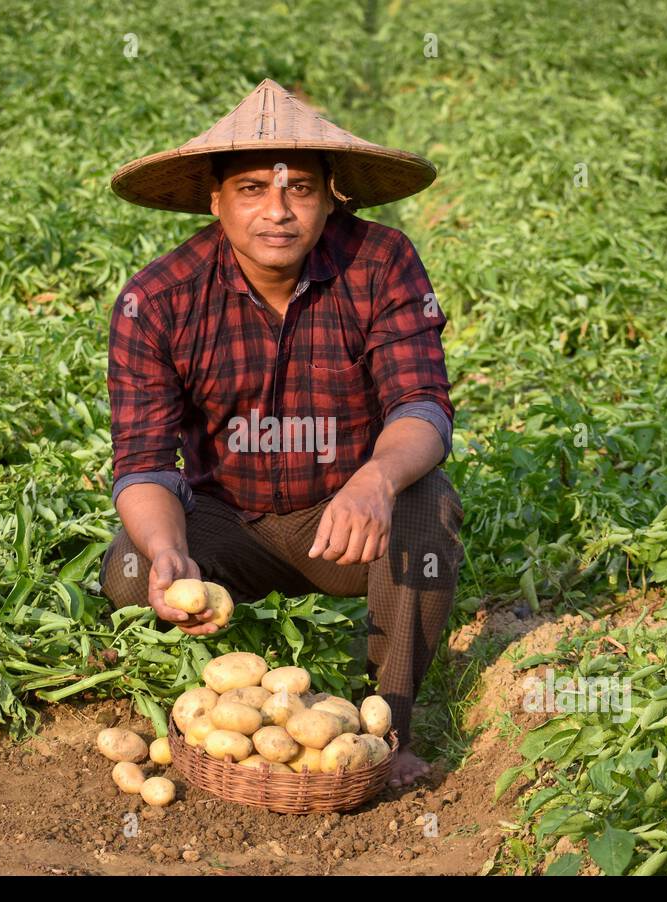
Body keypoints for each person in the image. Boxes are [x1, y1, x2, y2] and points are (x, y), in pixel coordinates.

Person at [101, 79, 463, 788]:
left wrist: (376, 480)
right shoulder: (158, 299)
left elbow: (423, 406)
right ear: (214, 199)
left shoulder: (382, 264)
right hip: (223, 522)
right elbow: (143, 462)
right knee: (132, 567)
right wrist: (172, 551)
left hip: (342, 523)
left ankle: (389, 723)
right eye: (250, 190)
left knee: (427, 508)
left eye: (299, 188)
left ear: (333, 194)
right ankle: (195, 695)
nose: (277, 211)